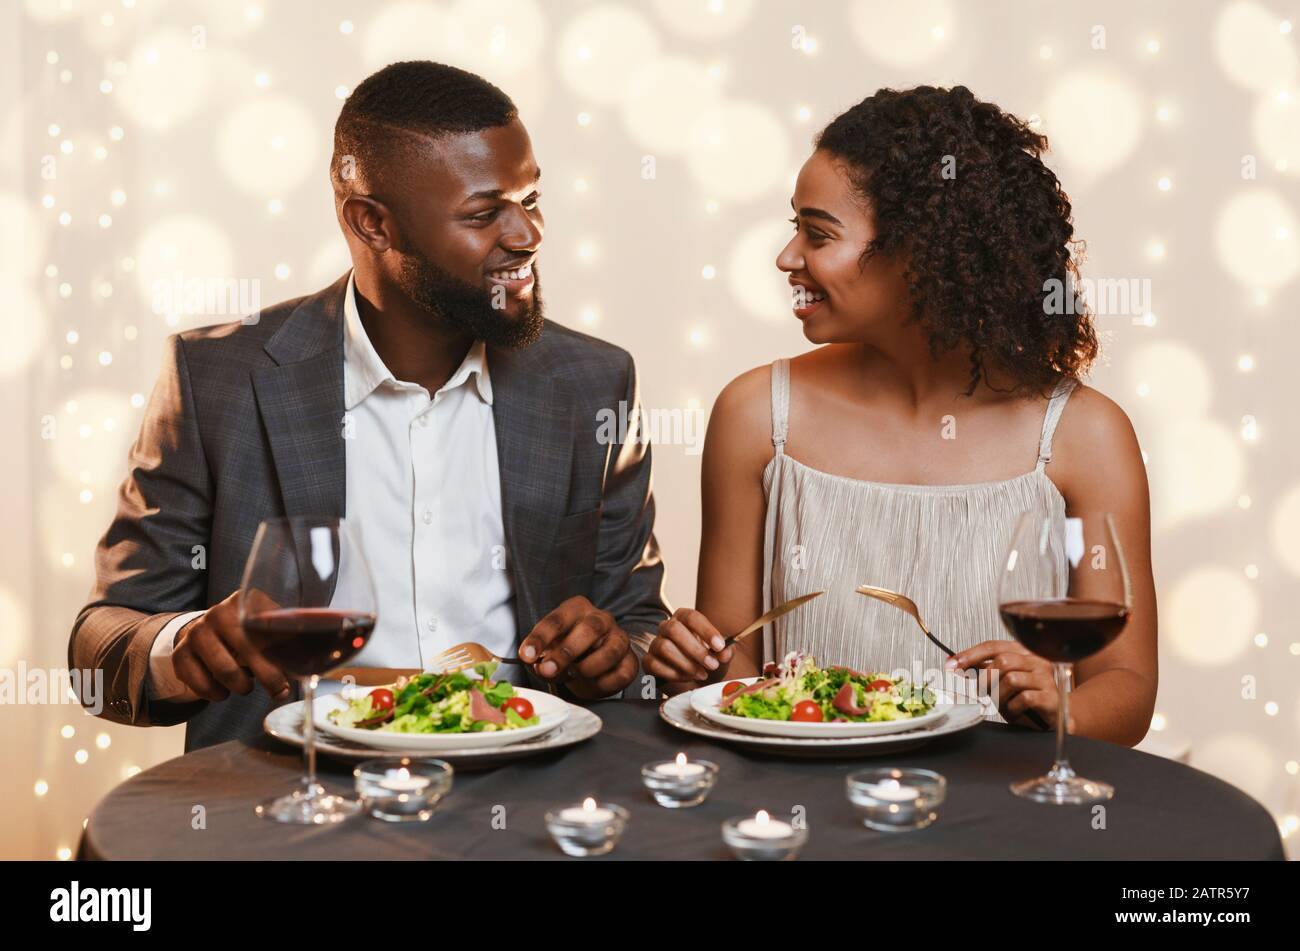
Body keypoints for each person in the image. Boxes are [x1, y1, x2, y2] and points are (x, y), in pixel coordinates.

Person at [70, 61, 668, 751]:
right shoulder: (215, 379)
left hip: (522, 787)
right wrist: (183, 645)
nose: (527, 234)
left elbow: (639, 626)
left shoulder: (595, 382)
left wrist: (615, 655)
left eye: (530, 198)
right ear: (372, 223)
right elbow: (98, 652)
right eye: (483, 214)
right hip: (293, 787)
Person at [644, 86, 1157, 747]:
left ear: (920, 253)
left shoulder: (1085, 436)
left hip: (997, 804)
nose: (788, 257)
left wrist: (1063, 709)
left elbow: (1125, 686)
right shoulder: (756, 416)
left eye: (818, 233)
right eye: (795, 227)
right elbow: (734, 669)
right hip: (808, 797)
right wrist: (699, 667)